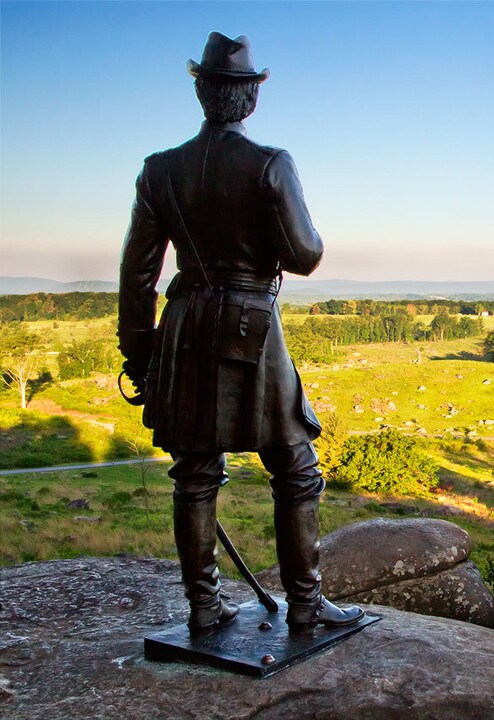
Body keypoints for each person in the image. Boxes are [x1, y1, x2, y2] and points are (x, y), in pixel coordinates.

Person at [117, 32, 363, 634]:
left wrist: (140, 355)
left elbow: (138, 273)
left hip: (184, 324)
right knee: (296, 467)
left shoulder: (160, 170)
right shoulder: (270, 164)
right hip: (251, 323)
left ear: (202, 91)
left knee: (195, 472)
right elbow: (304, 255)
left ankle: (204, 606)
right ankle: (305, 601)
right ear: (250, 96)